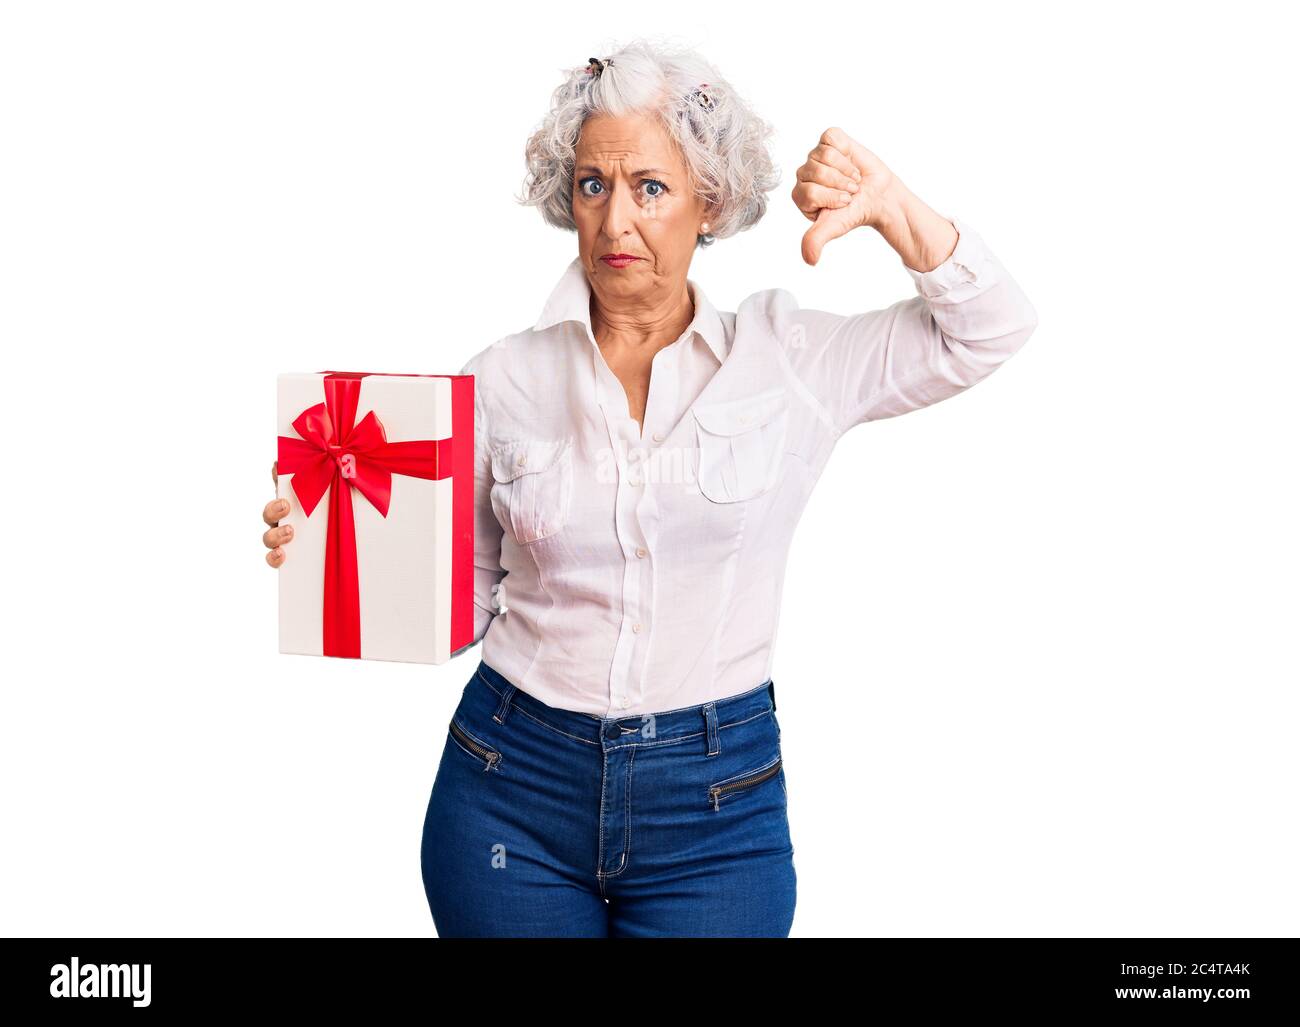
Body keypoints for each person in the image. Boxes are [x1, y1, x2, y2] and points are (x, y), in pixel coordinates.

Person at [260, 39, 1038, 937]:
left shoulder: (790, 361)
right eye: (593, 185)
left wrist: (895, 209)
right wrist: (328, 545)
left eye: (650, 188)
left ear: (710, 201)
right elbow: (463, 596)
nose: (615, 220)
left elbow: (990, 330)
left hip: (716, 811)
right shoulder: (500, 381)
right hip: (509, 792)